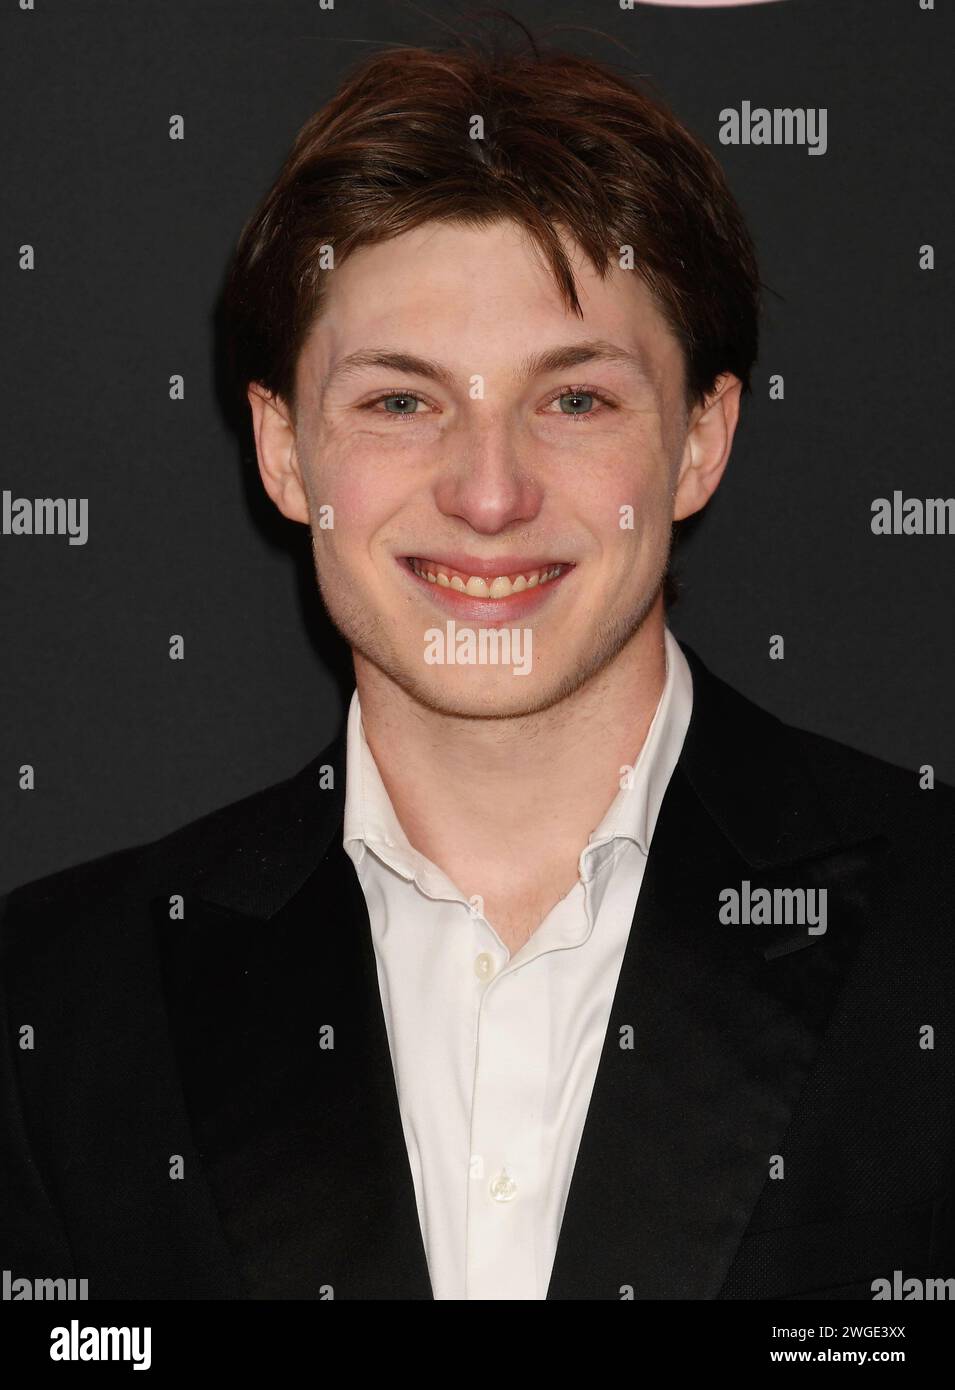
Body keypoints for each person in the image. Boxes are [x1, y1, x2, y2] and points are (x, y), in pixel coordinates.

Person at [2, 39, 952, 1303]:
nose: (489, 493)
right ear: (284, 450)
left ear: (700, 441)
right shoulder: (58, 1009)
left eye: (575, 402)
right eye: (400, 403)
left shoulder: (929, 943)